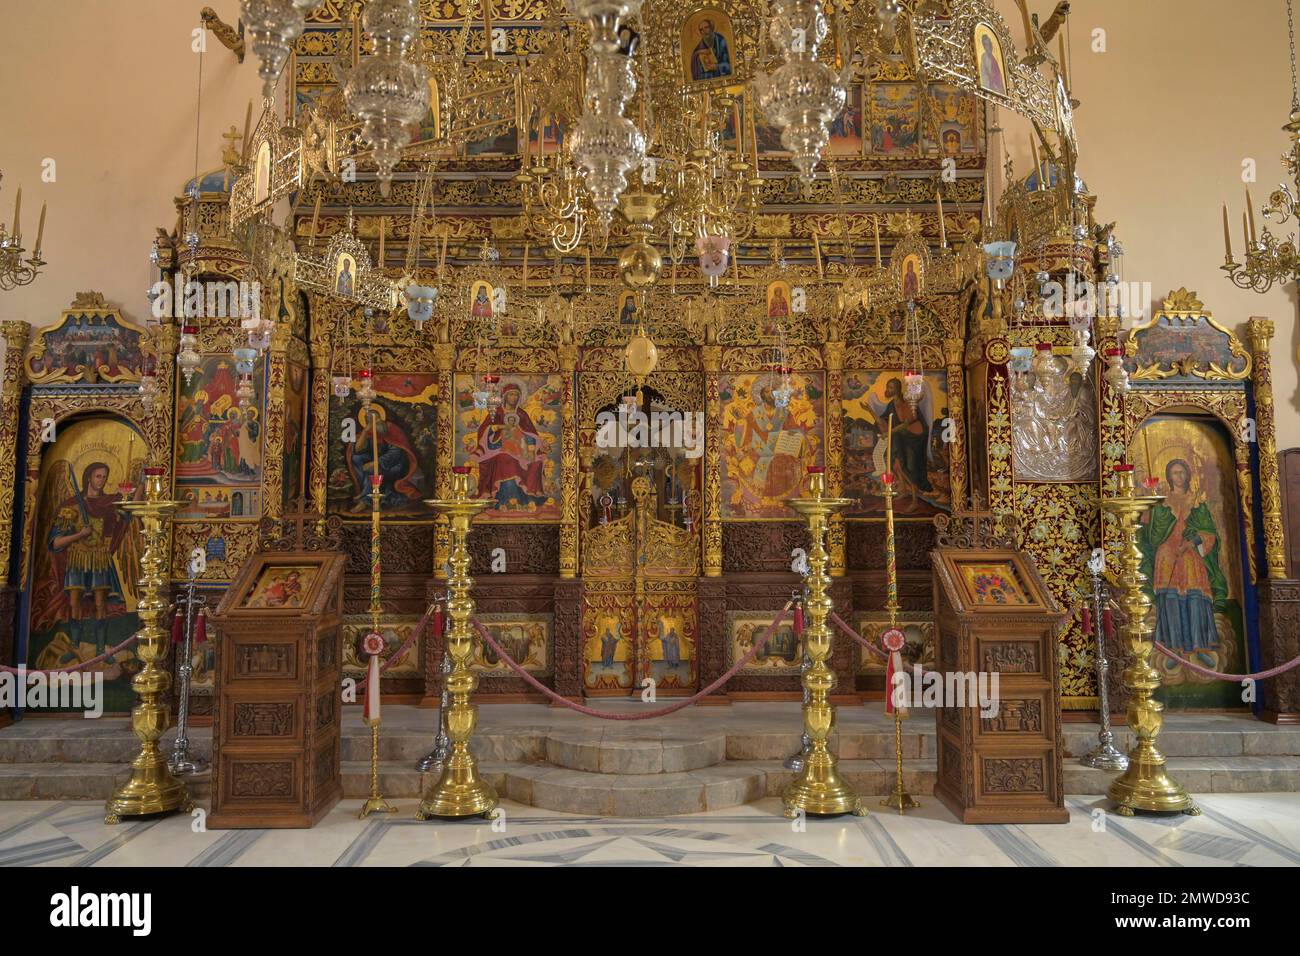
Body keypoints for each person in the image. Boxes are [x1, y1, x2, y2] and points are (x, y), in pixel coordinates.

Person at [1138, 458, 1229, 653]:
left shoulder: (1196, 501)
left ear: (1188, 475)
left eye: (1181, 472)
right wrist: (1148, 503)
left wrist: (1190, 543)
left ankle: (1198, 644)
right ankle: (1173, 645)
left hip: (1190, 551)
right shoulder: (1160, 501)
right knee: (1170, 596)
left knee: (1195, 593)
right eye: (1174, 473)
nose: (1178, 476)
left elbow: (1209, 532)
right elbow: (1149, 531)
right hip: (1166, 554)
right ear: (1168, 477)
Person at [45, 463, 134, 654]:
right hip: (77, 559)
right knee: (74, 602)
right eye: (97, 476)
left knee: (100, 603)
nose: (101, 481)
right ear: (88, 478)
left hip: (100, 559)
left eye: (104, 476)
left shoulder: (111, 504)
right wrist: (80, 535)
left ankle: (101, 650)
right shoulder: (71, 506)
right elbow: (56, 543)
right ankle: (74, 648)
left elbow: (128, 514)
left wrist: (141, 482)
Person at [474, 382, 548, 507]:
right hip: (498, 449)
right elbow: (484, 431)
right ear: (505, 396)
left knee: (537, 462)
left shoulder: (522, 414)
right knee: (505, 458)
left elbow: (531, 434)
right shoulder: (496, 412)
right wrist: (501, 427)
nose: (514, 398)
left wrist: (530, 450)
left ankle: (528, 498)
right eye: (511, 394)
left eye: (516, 395)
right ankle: (504, 499)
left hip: (521, 451)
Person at [348, 405, 423, 511]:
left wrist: (376, 462)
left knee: (372, 469)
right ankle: (365, 492)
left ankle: (365, 500)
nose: (377, 422)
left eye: (378, 419)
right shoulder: (369, 432)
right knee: (357, 458)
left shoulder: (392, 429)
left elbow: (396, 453)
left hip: (396, 465)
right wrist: (365, 432)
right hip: (378, 464)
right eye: (372, 421)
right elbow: (357, 450)